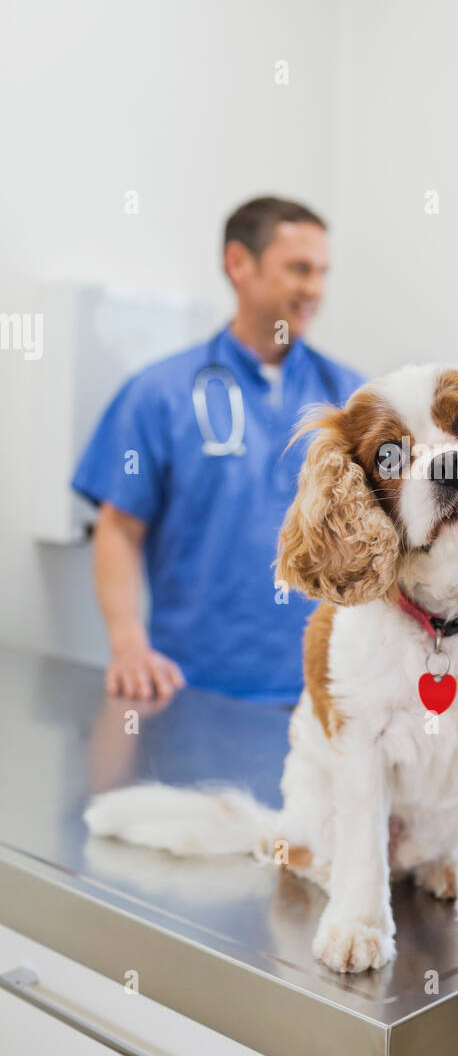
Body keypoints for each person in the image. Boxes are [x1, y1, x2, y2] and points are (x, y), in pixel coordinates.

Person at [72, 197, 363, 705]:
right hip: (193, 689)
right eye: (298, 269)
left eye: (322, 272)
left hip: (331, 687)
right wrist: (128, 646)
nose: (315, 289)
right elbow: (118, 529)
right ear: (238, 264)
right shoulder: (158, 393)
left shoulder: (353, 399)